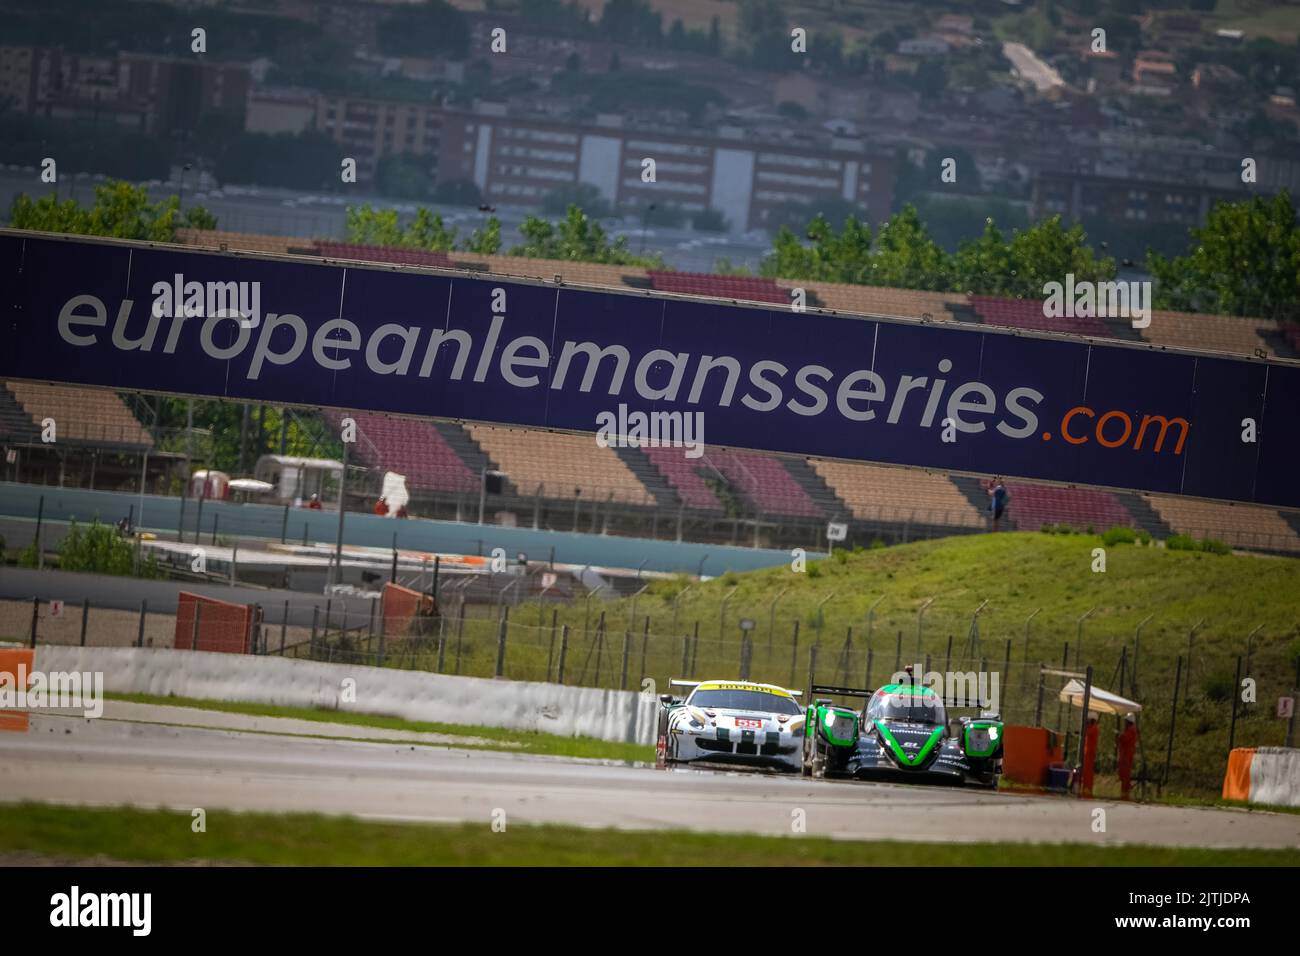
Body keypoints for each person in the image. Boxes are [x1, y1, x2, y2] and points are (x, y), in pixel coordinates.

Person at [1117, 714, 1139, 801]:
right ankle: (1124, 793)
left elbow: (1124, 739)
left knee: (1125, 775)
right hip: (1125, 755)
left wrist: (1120, 736)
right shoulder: (1130, 730)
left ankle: (1125, 794)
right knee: (1123, 774)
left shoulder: (1131, 730)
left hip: (1127, 755)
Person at [1080, 713, 1100, 798]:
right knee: (1085, 771)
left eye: (1088, 720)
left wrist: (1086, 725)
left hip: (1090, 752)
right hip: (1088, 752)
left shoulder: (1094, 728)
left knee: (1088, 771)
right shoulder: (1092, 727)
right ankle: (1085, 788)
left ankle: (1087, 790)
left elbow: (1086, 732)